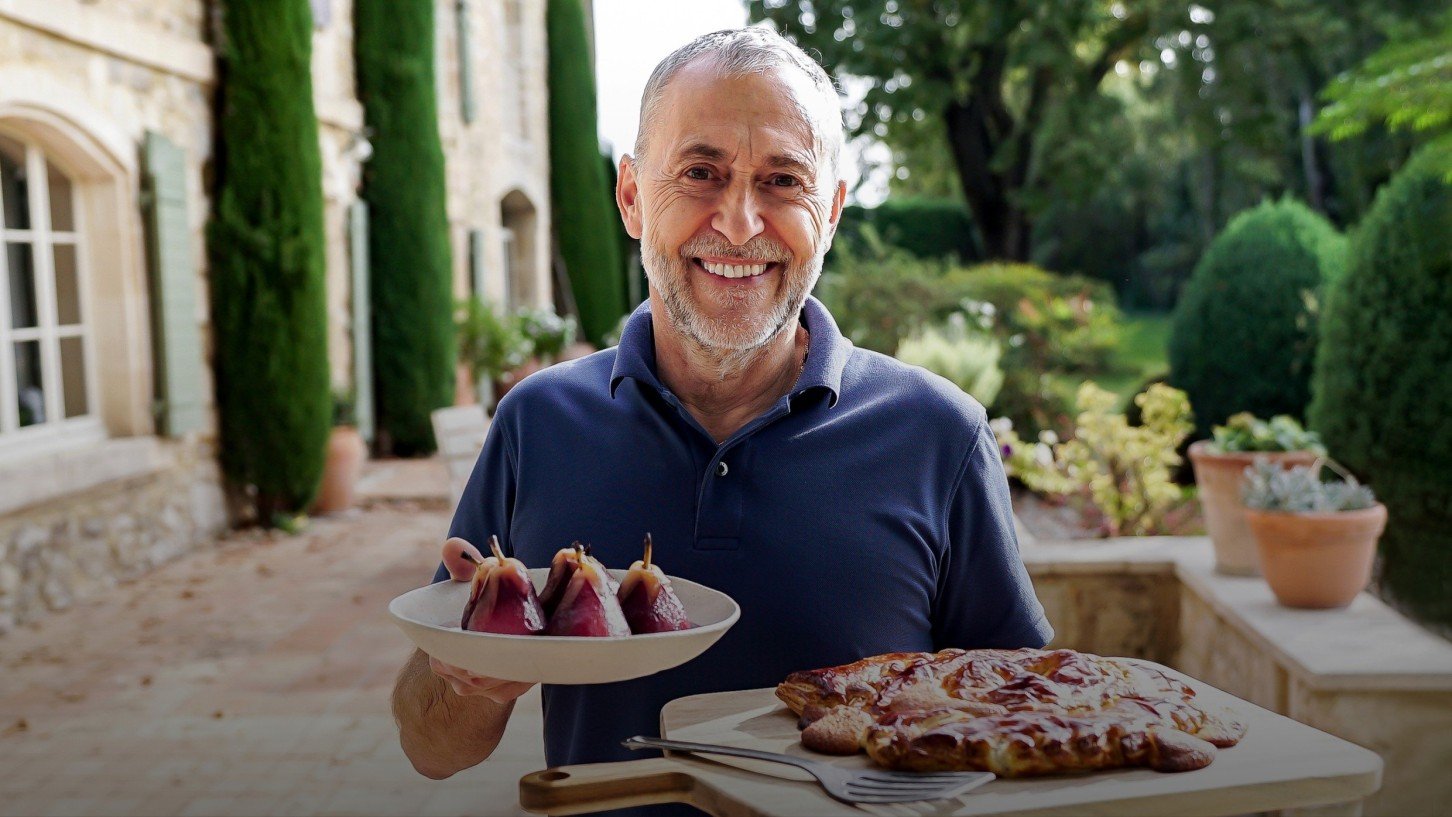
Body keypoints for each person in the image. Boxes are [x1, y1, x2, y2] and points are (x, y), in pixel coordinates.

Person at [391, 26, 1052, 814]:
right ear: (633, 197)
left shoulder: (938, 434)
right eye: (700, 172)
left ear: (832, 211)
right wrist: (470, 681)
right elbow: (430, 749)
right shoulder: (539, 420)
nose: (739, 223)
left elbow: (1027, 724)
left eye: (782, 180)